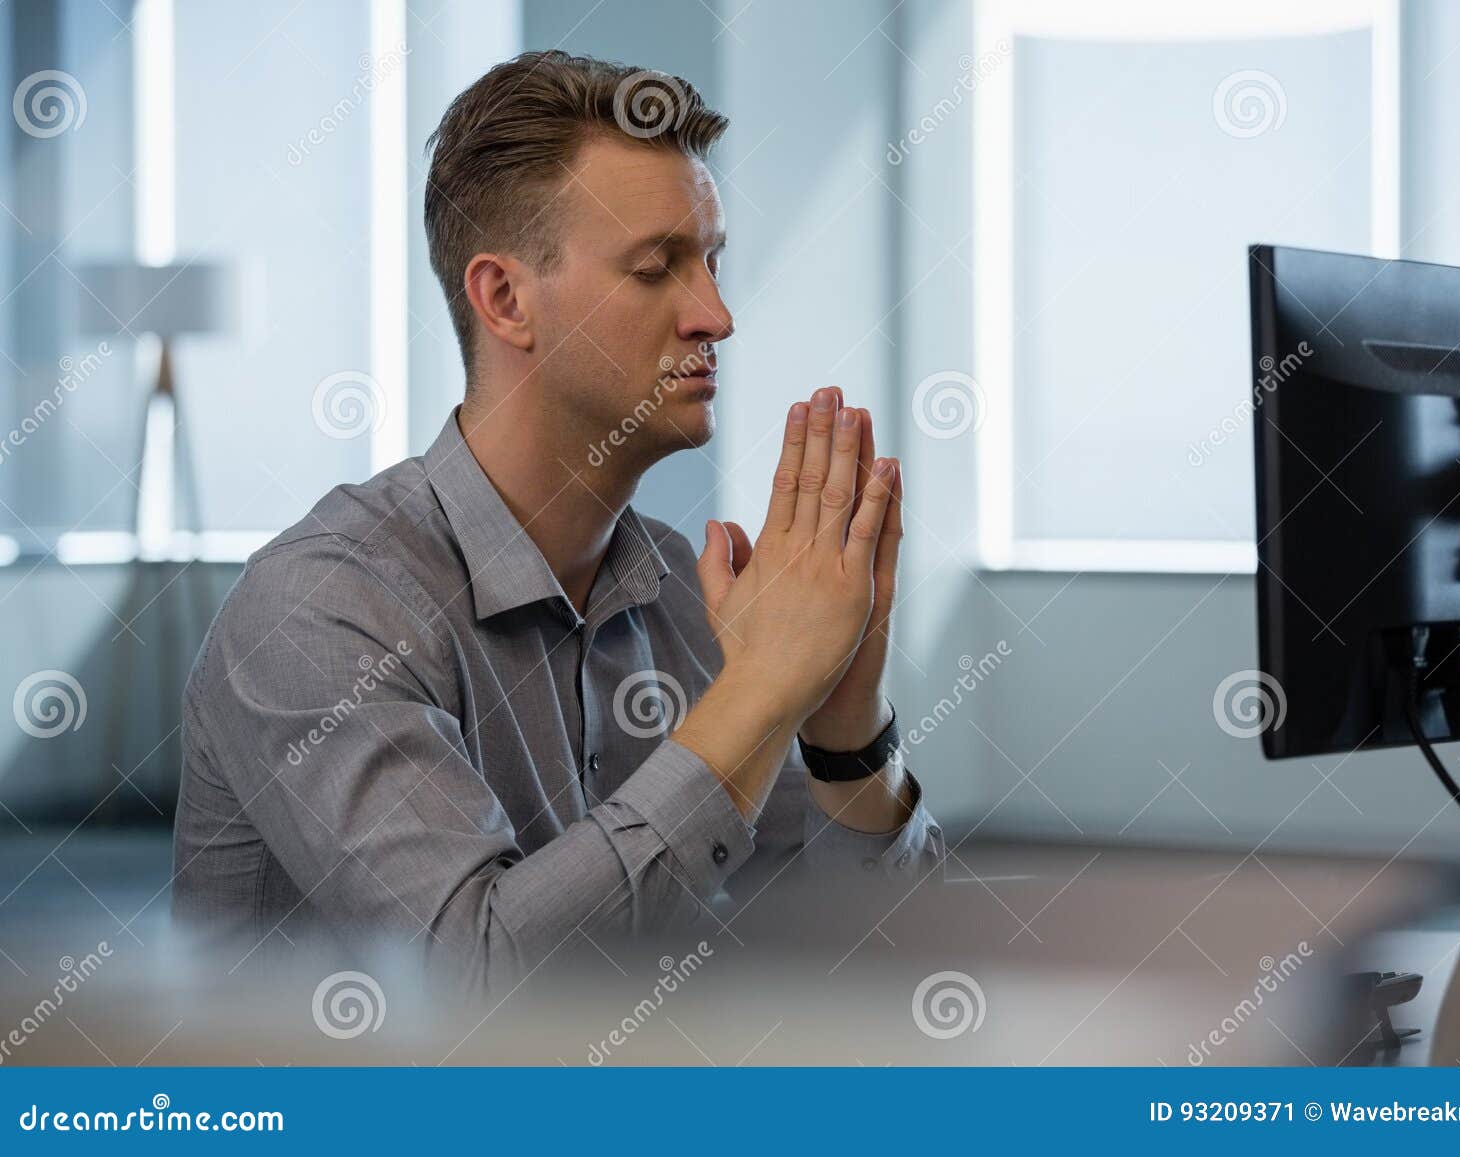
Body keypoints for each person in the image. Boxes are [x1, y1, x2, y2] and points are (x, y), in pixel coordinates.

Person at [171, 50, 943, 988]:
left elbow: (876, 967)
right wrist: (763, 691)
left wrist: (842, 721)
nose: (717, 314)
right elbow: (480, 989)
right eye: (658, 267)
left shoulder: (687, 599)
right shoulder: (318, 607)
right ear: (505, 299)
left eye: (712, 262)